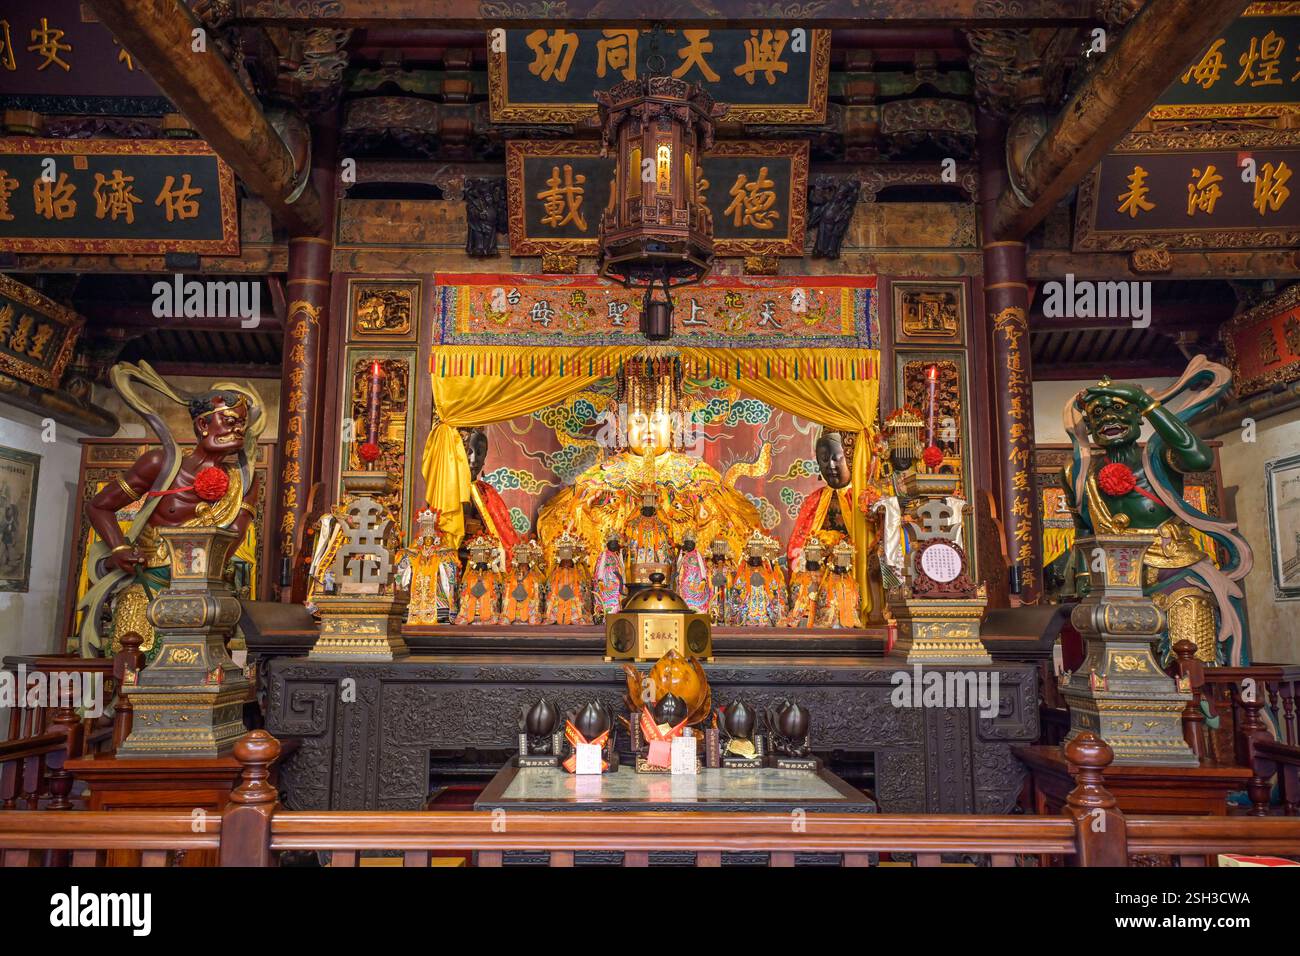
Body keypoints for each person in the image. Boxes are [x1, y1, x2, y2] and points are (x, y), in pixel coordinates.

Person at [81, 364, 263, 657]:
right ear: (203, 426)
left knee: (200, 668)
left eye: (241, 424)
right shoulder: (161, 464)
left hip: (205, 592)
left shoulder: (245, 481)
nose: (237, 429)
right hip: (149, 582)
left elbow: (232, 539)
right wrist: (118, 549)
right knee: (132, 660)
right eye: (229, 421)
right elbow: (99, 506)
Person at [674, 532, 712, 613]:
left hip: (698, 581)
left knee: (699, 595)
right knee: (685, 596)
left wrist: (704, 579)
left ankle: (699, 610)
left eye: (692, 543)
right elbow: (678, 567)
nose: (690, 545)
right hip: (685, 582)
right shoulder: (683, 555)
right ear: (684, 544)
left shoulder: (698, 555)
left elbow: (703, 568)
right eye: (687, 543)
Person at [591, 533, 626, 621]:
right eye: (612, 543)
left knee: (617, 599)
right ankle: (607, 618)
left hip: (616, 582)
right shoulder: (604, 554)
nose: (615, 545)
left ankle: (615, 617)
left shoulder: (616, 555)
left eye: (616, 543)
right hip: (608, 583)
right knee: (609, 601)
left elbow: (620, 568)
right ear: (607, 545)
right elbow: (600, 568)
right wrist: (600, 580)